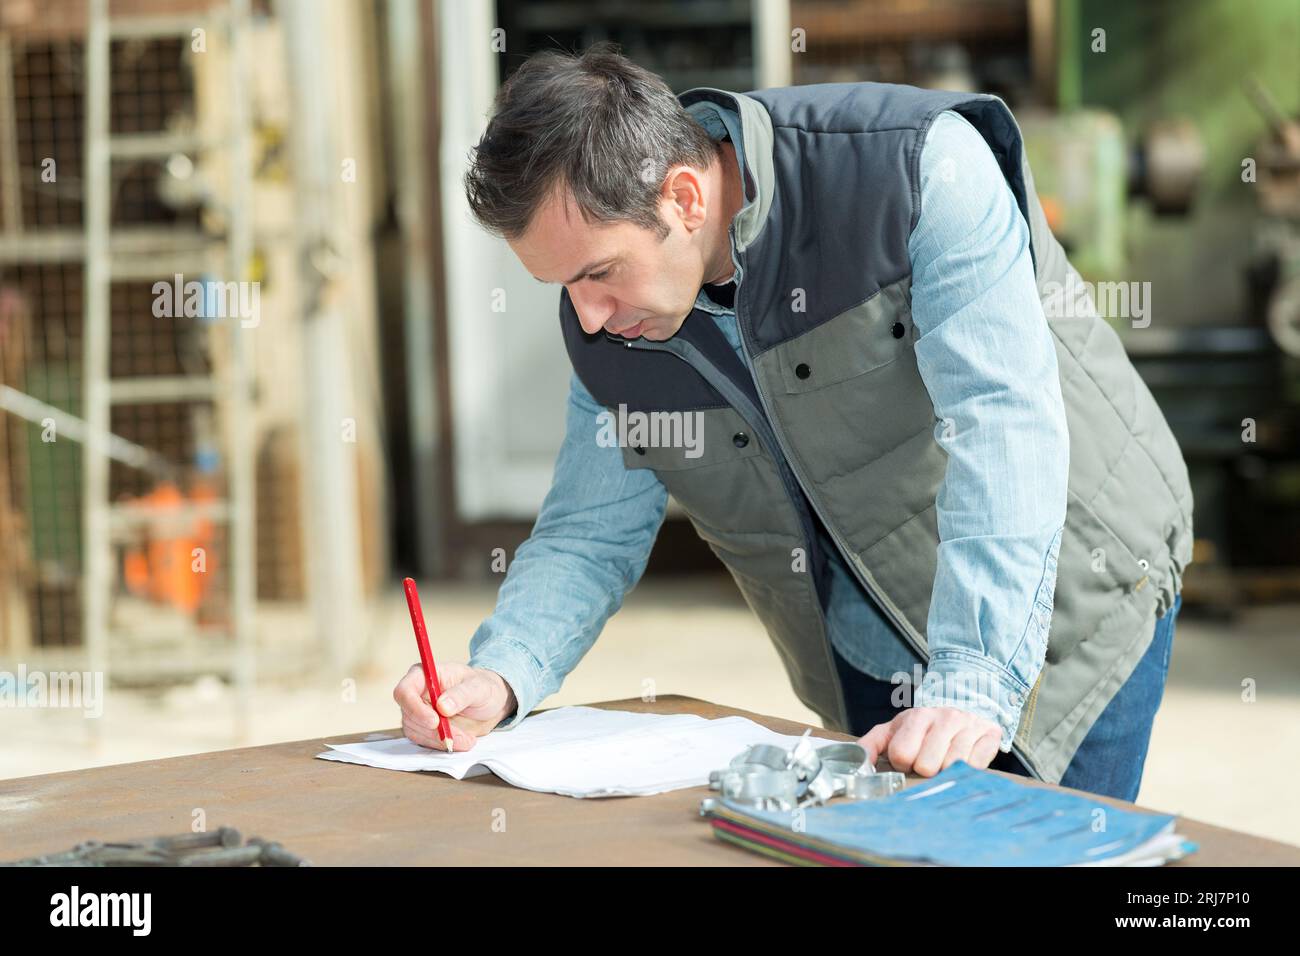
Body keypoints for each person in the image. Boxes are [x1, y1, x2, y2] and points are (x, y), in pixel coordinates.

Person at [394, 43, 1193, 801]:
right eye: (562, 285)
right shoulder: (616, 331)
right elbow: (587, 533)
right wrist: (500, 674)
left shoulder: (913, 173)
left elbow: (1002, 426)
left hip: (1076, 604)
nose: (589, 317)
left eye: (599, 272)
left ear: (683, 196)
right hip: (867, 649)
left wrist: (974, 684)